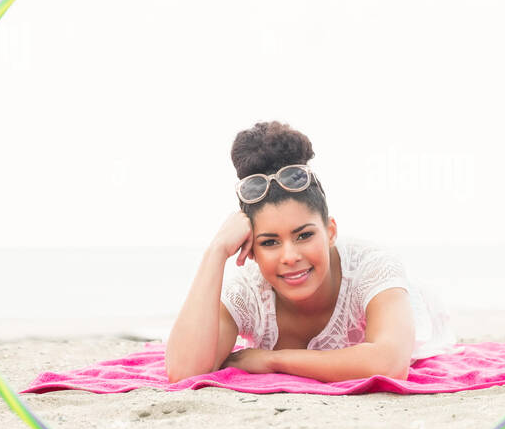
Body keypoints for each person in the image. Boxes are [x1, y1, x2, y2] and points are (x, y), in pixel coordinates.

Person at [165, 121, 458, 383]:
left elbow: (391, 364)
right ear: (251, 251)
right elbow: (184, 371)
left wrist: (273, 360)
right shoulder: (248, 292)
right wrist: (216, 251)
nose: (290, 256)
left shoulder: (372, 267)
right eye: (269, 242)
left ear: (330, 231)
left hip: (409, 316)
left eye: (304, 235)